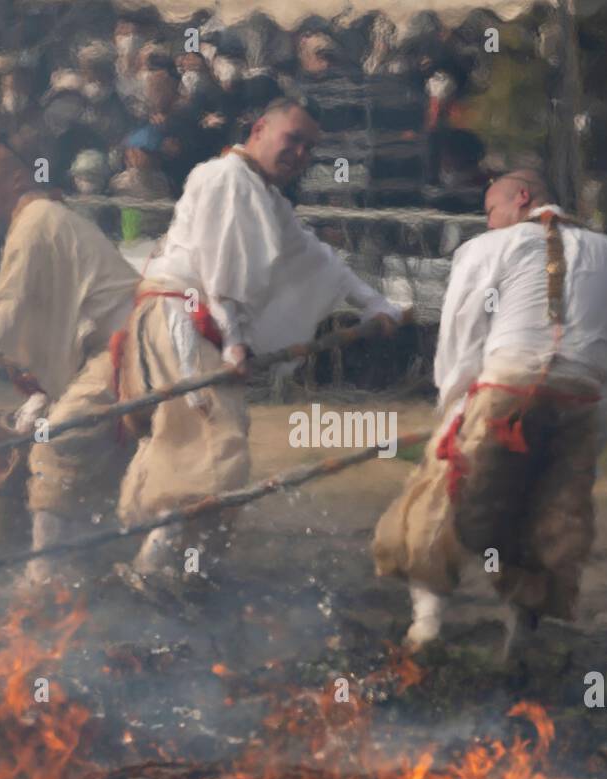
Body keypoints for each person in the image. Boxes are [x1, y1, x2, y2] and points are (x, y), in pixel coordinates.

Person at [29, 97, 401, 590]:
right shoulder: (227, 177)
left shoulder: (269, 200)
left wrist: (377, 304)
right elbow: (221, 272)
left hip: (166, 324)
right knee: (210, 449)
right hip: (182, 322)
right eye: (293, 139)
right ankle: (139, 573)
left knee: (78, 426)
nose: (300, 153)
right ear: (261, 128)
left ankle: (58, 567)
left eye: (309, 147)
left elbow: (319, 259)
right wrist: (235, 343)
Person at [372, 169, 607, 652]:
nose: (490, 220)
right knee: (550, 511)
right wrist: (602, 417)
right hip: (581, 399)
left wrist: (454, 404)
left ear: (521, 197)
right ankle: (522, 632)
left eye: (491, 210)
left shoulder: (487, 248)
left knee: (441, 497)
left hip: (505, 388)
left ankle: (427, 627)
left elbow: (462, 328)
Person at [0, 130, 140, 578]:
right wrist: (37, 401)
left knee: (55, 446)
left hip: (129, 351)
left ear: (16, 180)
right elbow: (60, 326)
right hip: (105, 358)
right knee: (46, 442)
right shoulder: (42, 220)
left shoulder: (36, 222)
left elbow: (4, 311)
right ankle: (80, 567)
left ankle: (42, 581)